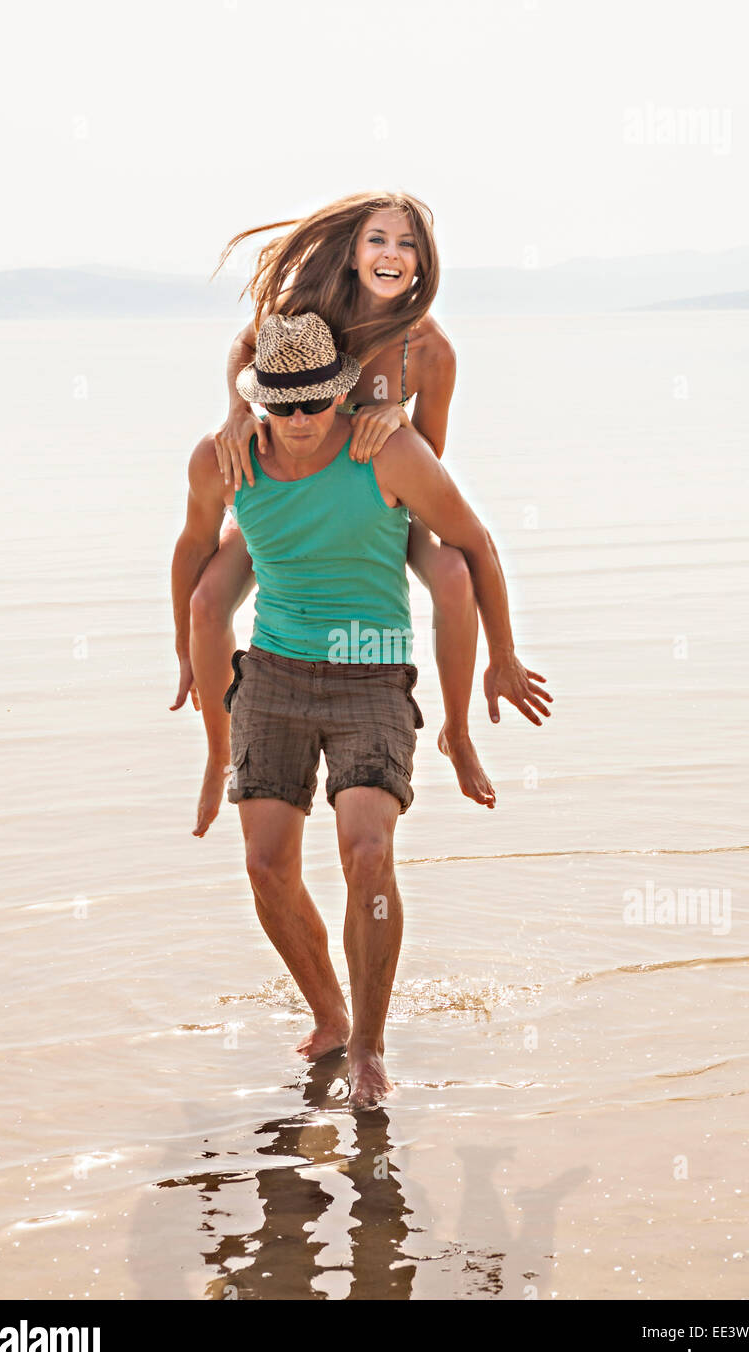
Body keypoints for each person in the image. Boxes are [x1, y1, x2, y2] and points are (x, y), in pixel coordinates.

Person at [170, 312, 553, 1108]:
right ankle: (331, 1015)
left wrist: (502, 659)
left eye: (319, 402)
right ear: (259, 400)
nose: (304, 420)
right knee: (266, 866)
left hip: (371, 672)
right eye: (286, 404)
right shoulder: (225, 458)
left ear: (340, 394)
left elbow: (472, 544)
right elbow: (193, 550)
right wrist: (185, 652)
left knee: (367, 852)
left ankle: (371, 1045)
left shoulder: (385, 450)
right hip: (272, 674)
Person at [172, 191, 495, 838]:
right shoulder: (315, 314)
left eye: (407, 244)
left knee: (457, 576)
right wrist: (239, 415)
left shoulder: (430, 350)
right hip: (294, 487)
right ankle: (217, 753)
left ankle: (456, 731)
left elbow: (433, 452)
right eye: (378, 239)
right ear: (351, 253)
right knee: (207, 605)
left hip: (380, 492)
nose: (392, 254)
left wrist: (397, 420)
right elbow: (248, 347)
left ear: (425, 262)